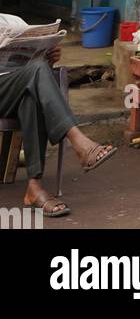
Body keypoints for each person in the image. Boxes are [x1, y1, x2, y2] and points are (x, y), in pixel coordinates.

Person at [0, 14, 116, 218]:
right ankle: (79, 142)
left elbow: (37, 69)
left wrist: (49, 57)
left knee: (31, 94)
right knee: (35, 71)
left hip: (16, 91)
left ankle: (34, 189)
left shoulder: (15, 23)